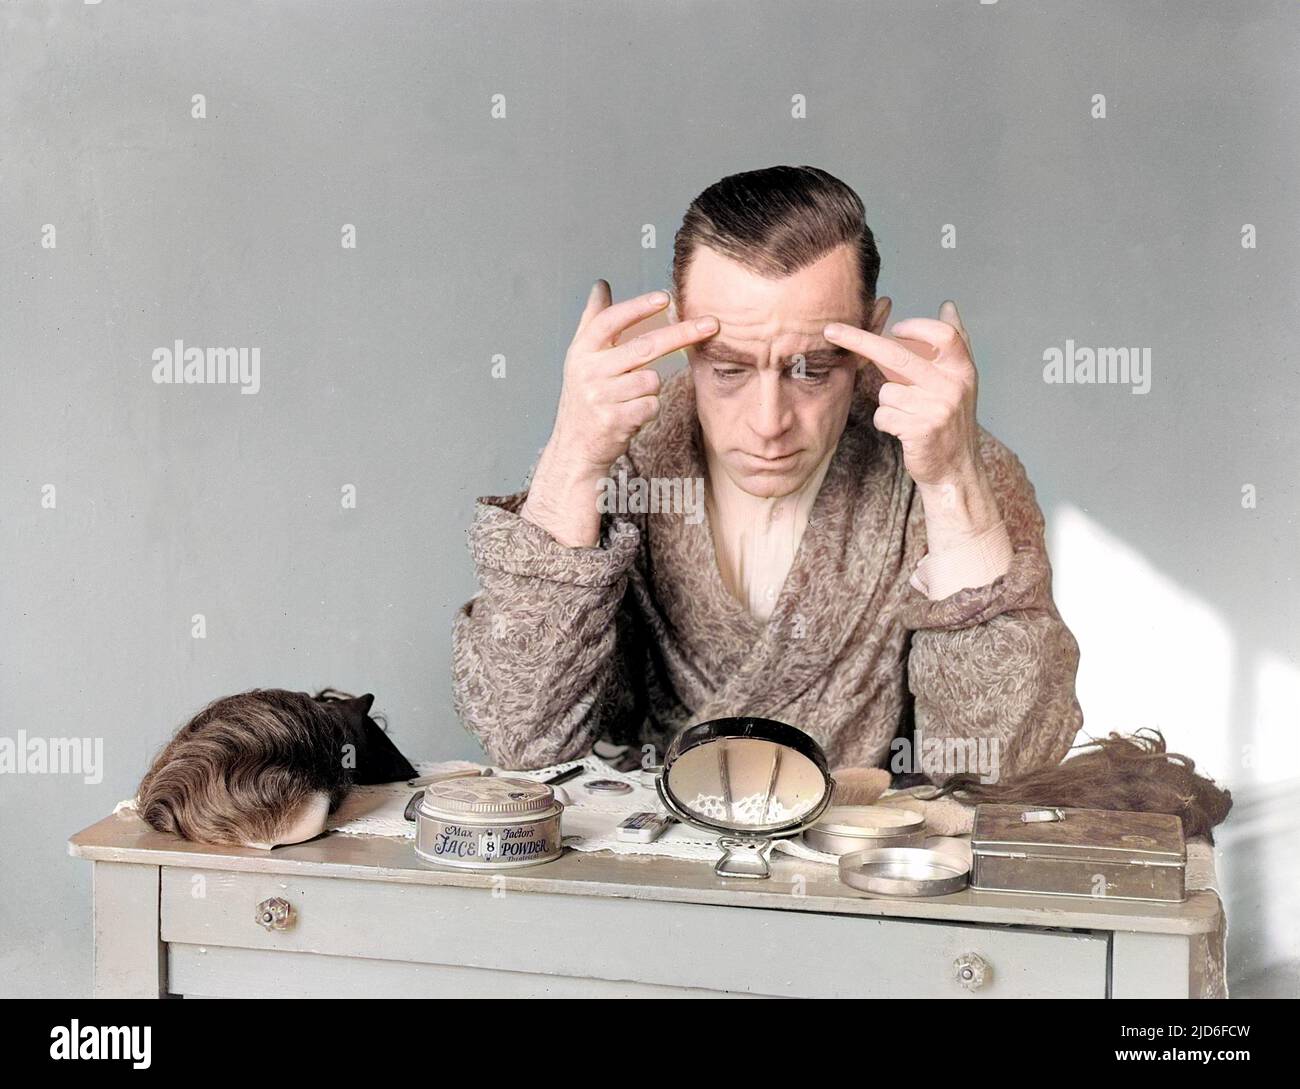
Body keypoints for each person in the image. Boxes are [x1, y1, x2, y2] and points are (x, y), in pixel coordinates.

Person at [452, 165, 1082, 786]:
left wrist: (953, 485)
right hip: (649, 866)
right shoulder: (618, 462)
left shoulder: (953, 468)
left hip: (862, 873)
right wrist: (571, 456)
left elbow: (999, 778)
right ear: (680, 340)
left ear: (871, 333)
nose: (768, 422)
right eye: (728, 369)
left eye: (812, 370)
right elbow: (522, 735)